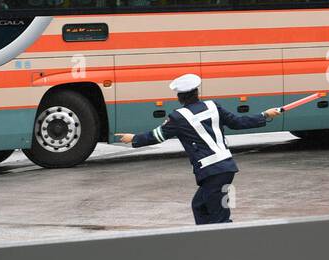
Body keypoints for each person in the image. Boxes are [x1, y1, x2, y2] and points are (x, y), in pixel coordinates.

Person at [113, 73, 281, 225]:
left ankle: (222, 249)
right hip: (224, 169)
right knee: (199, 206)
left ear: (180, 97)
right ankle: (205, 240)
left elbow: (157, 136)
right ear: (197, 93)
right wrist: (264, 115)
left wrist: (134, 138)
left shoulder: (178, 117)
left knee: (219, 217)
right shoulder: (213, 106)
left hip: (212, 171)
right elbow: (237, 122)